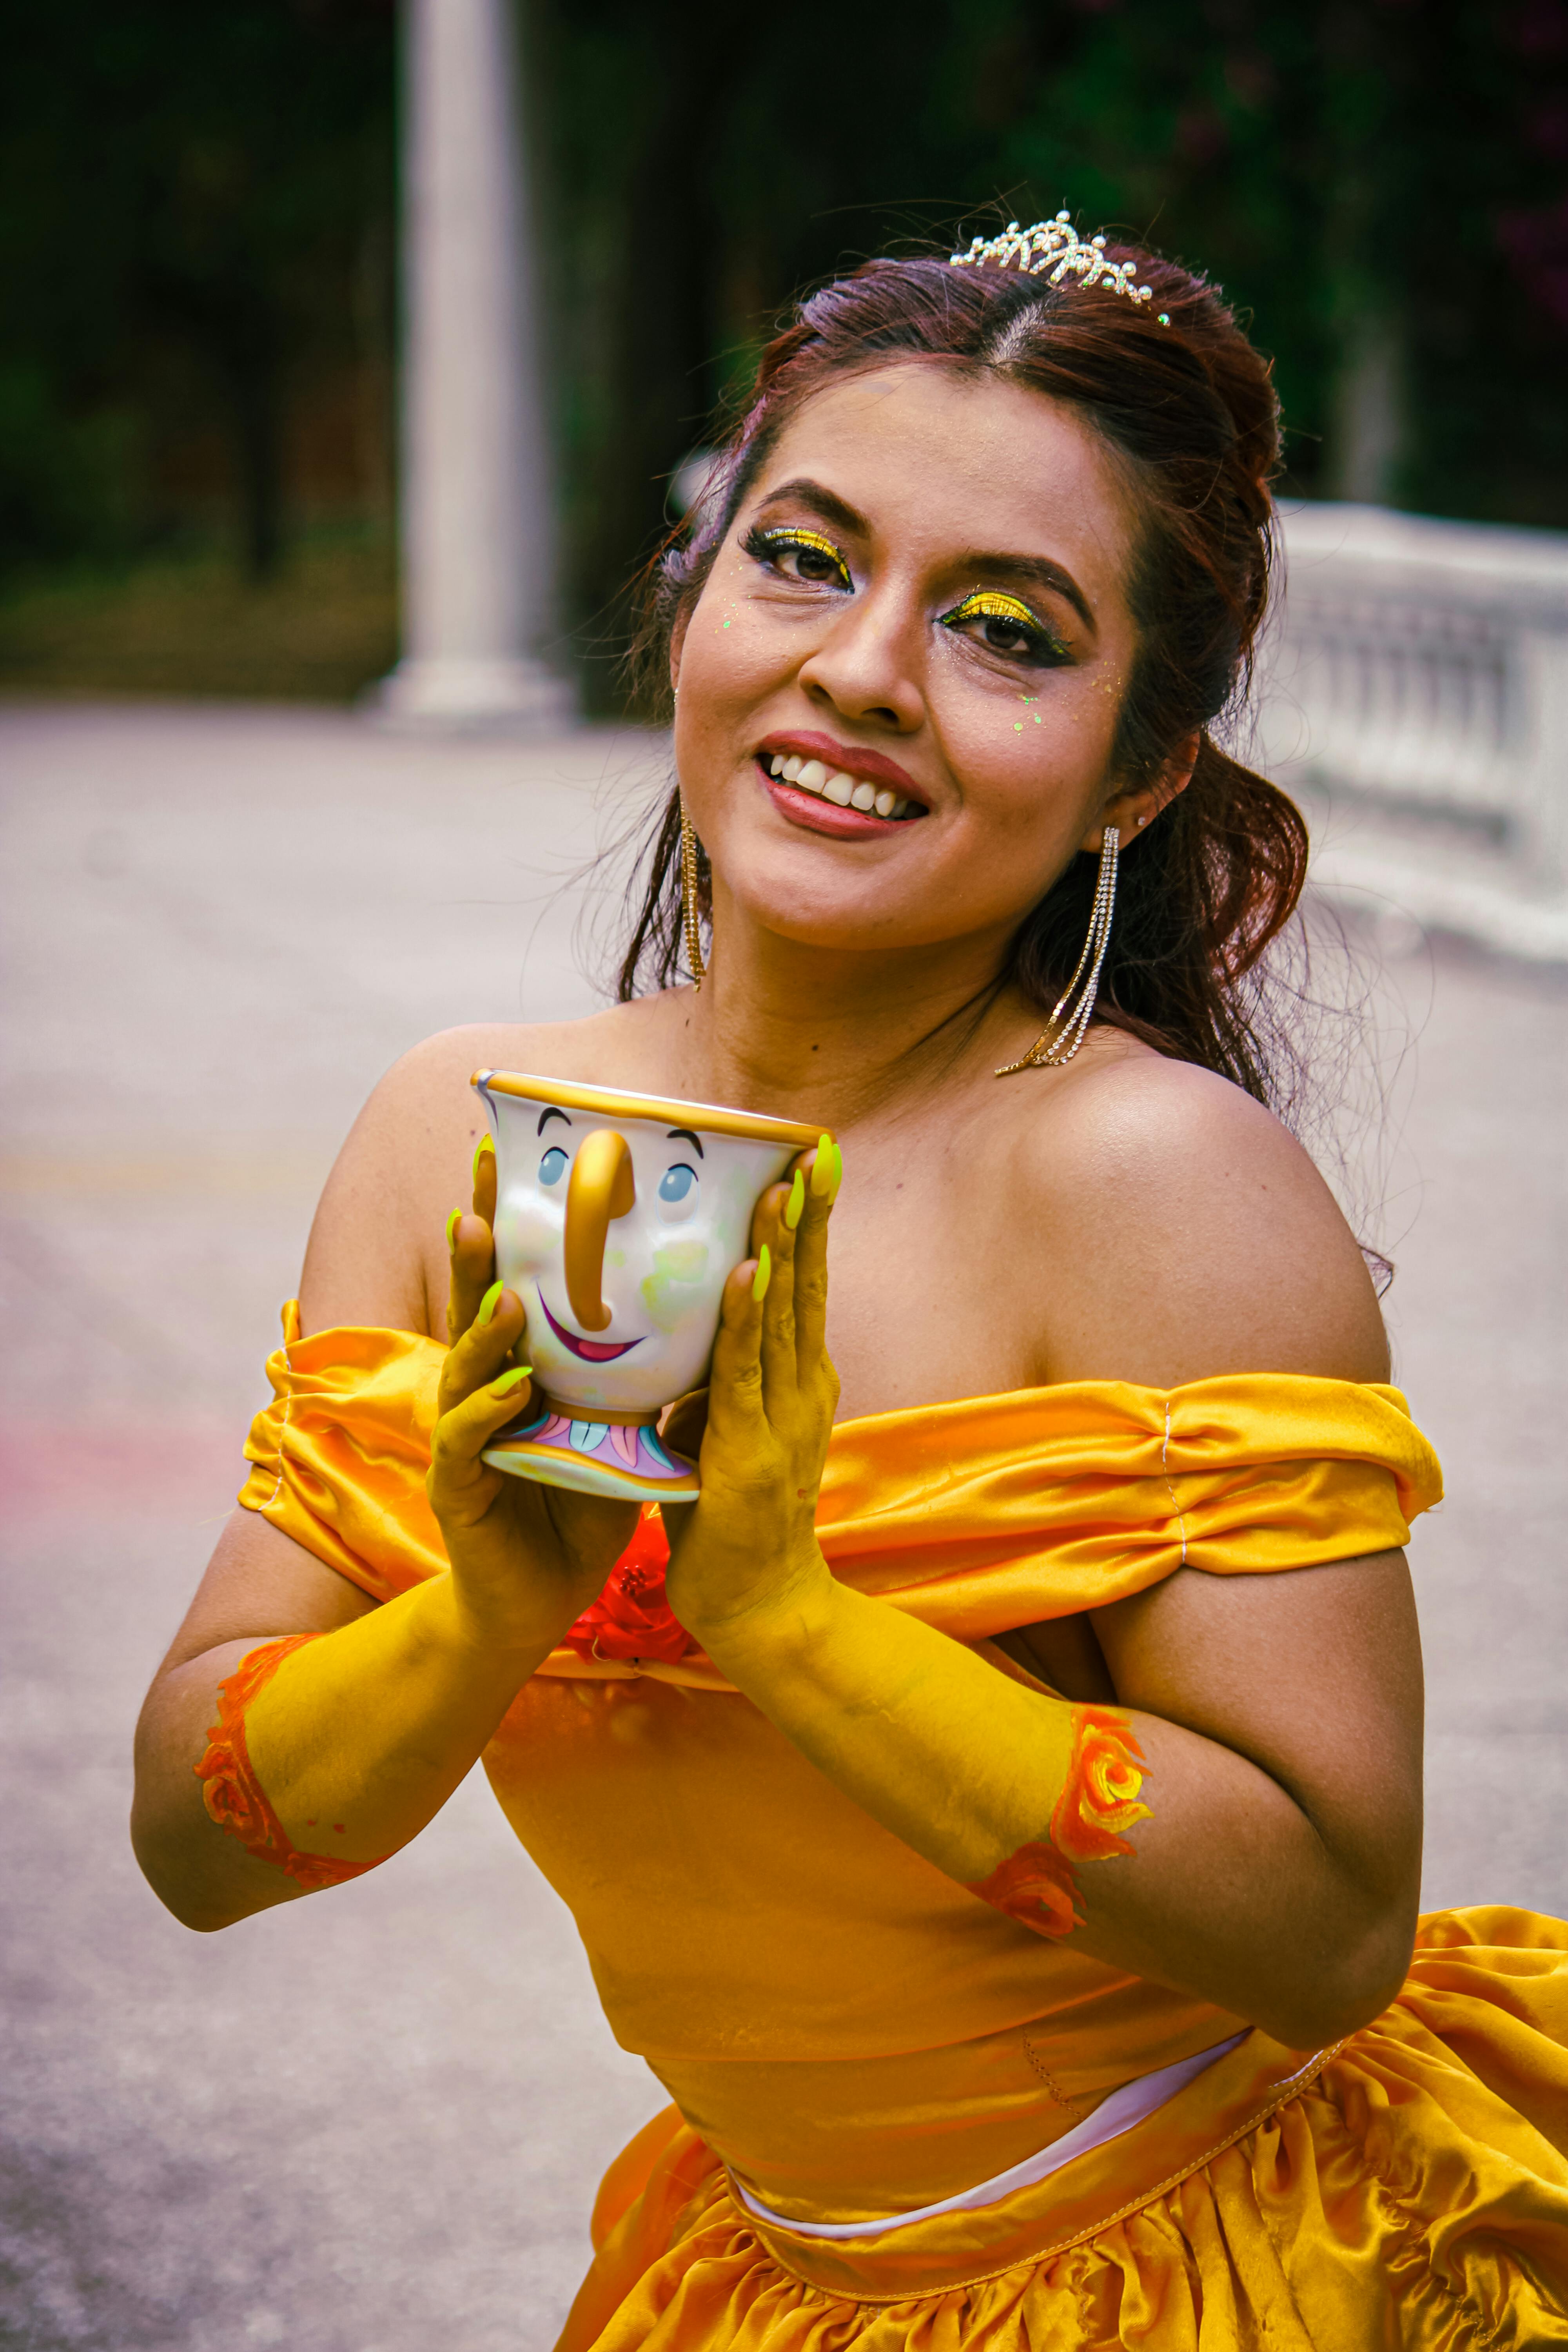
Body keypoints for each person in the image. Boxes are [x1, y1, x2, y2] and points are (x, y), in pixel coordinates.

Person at [131, 218, 1568, 2348]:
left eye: (1007, 630)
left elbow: (1332, 1927)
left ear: (1140, 775)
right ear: (691, 601)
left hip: (1224, 2272)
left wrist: (792, 1623)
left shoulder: (1152, 1184)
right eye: (804, 557)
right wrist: (495, 1609)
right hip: (779, 2280)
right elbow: (197, 1836)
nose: (866, 667)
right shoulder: (466, 1133)